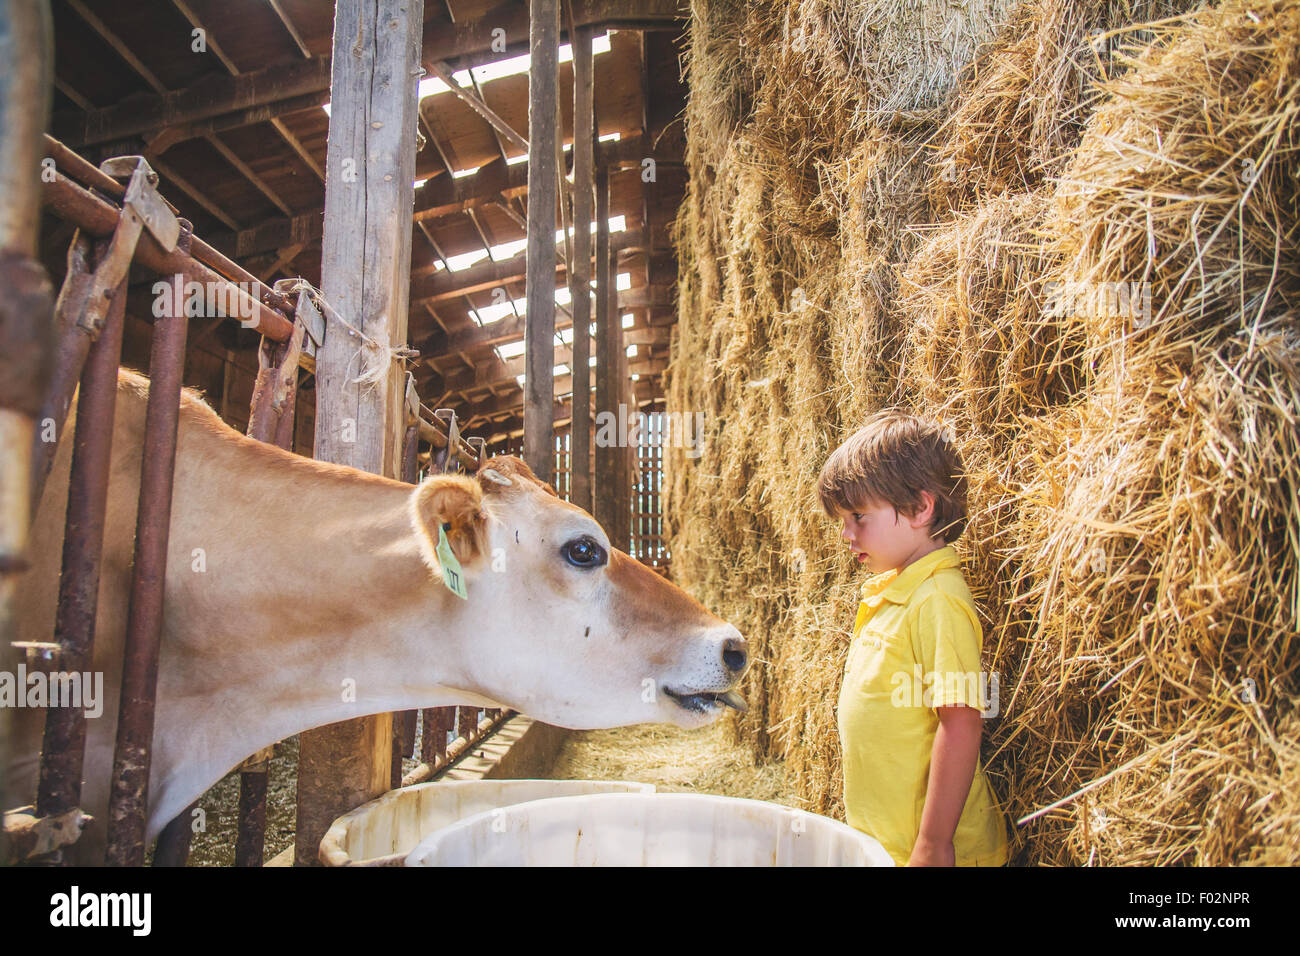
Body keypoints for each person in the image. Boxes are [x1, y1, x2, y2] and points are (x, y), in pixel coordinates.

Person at [816, 409, 1009, 866]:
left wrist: (934, 843)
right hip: (889, 843)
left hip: (935, 853)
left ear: (921, 508)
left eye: (859, 515)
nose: (846, 533)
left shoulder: (938, 600)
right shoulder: (893, 592)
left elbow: (961, 722)